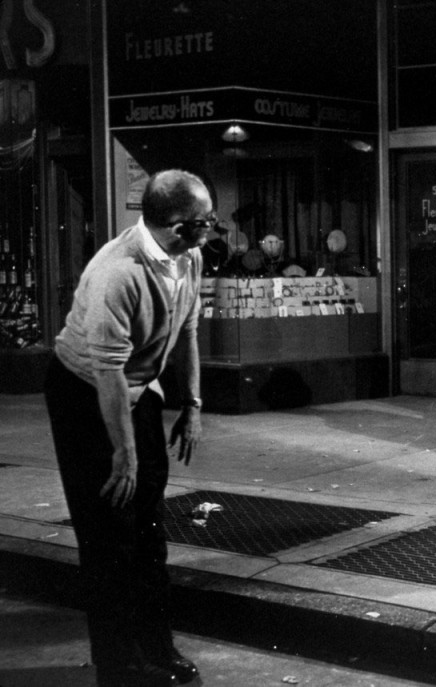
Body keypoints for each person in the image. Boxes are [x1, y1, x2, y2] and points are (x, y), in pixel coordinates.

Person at [45, 169, 214, 686]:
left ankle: (156, 649)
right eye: (205, 221)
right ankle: (118, 666)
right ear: (177, 224)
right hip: (85, 393)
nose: (211, 229)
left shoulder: (189, 258)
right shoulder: (117, 273)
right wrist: (124, 452)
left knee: (148, 532)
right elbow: (107, 371)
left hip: (139, 390)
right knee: (109, 537)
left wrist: (192, 404)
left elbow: (186, 333)